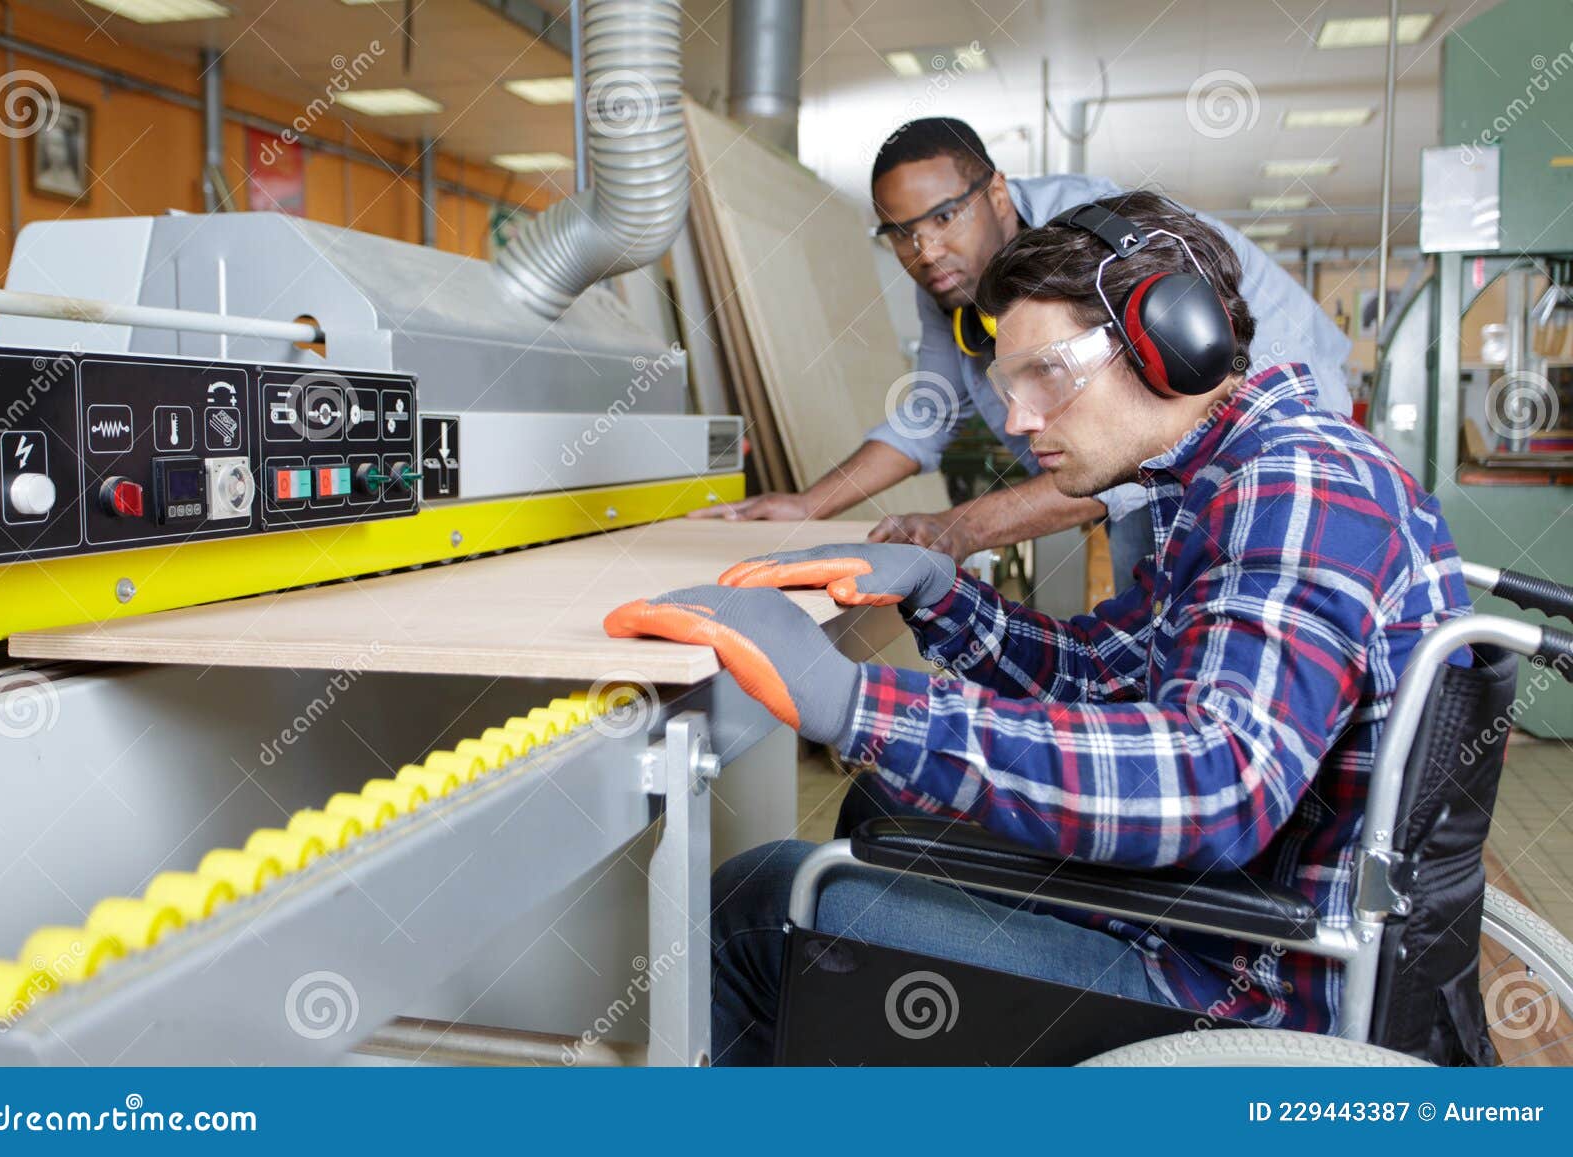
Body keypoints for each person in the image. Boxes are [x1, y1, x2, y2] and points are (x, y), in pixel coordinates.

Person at [606, 191, 1470, 1065]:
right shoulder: (1223, 479)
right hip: (1212, 913)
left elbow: (1219, 782)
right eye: (1008, 386)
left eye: (1045, 374)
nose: (1018, 421)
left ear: (1167, 343)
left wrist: (860, 702)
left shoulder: (1299, 488)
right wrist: (942, 598)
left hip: (1236, 988)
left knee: (756, 904)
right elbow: (1104, 666)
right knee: (883, 803)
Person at [688, 117, 1354, 593]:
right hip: (1149, 463)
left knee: (1227, 610)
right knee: (1145, 631)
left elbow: (1117, 446)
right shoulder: (952, 284)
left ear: (997, 194)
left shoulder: (1089, 243)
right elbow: (929, 413)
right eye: (901, 233)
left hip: (1273, 416)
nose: (924, 251)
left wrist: (958, 527)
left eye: (943, 216)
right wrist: (809, 505)